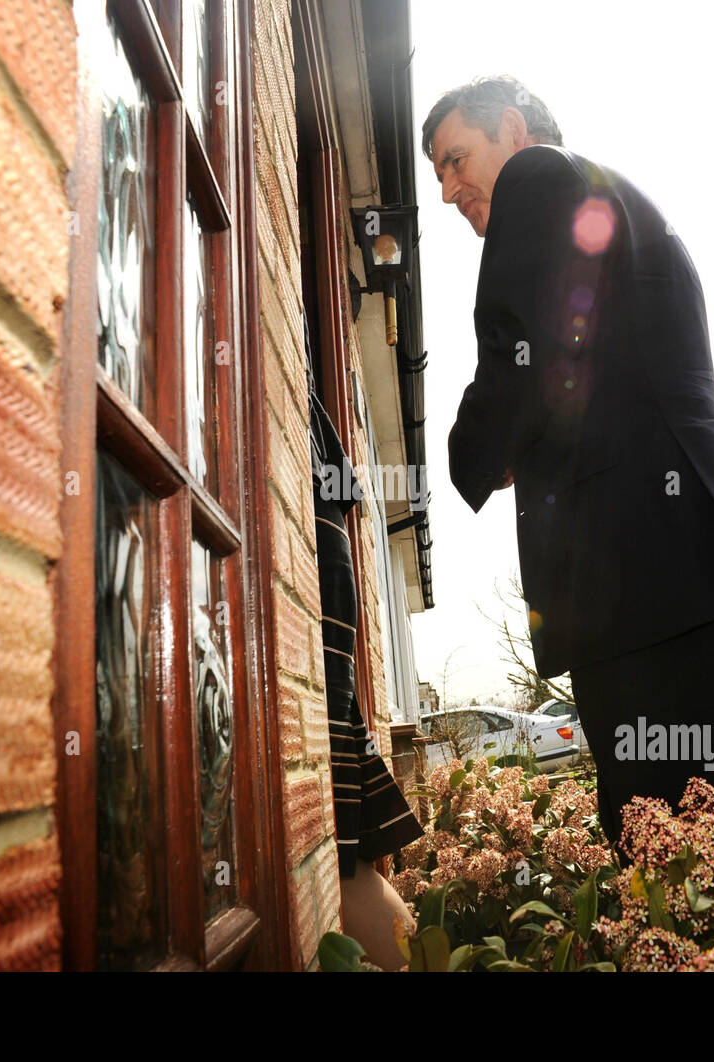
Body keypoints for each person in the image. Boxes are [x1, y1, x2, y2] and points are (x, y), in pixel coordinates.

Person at [422, 76, 714, 847]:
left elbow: (518, 346)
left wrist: (475, 455)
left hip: (641, 576)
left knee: (662, 843)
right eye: (438, 174)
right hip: (686, 563)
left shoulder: (540, 174)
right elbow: (578, 353)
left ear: (515, 130)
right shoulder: (612, 201)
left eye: (457, 159)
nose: (450, 188)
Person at [306, 334, 422, 969]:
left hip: (328, 634)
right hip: (328, 625)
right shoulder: (313, 420)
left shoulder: (312, 414)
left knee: (344, 852)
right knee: (345, 854)